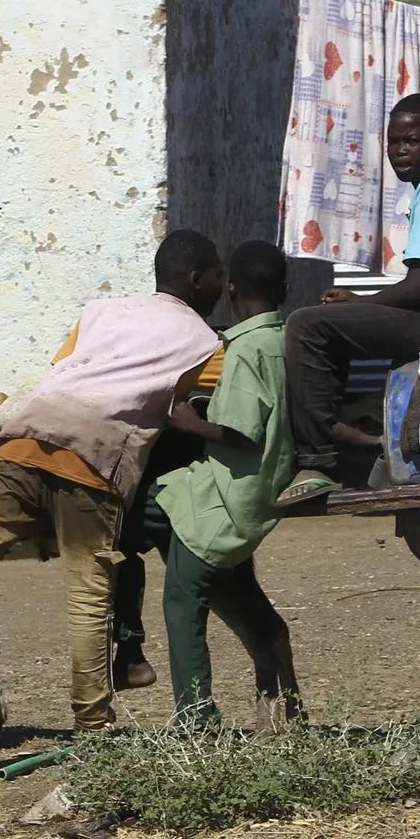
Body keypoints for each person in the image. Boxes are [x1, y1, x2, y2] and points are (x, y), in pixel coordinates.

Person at [0, 230, 228, 733]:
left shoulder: (102, 311)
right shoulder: (204, 342)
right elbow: (224, 395)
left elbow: (67, 369)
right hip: (90, 462)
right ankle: (93, 724)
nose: (224, 287)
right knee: (90, 587)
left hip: (21, 439)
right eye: (219, 277)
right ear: (198, 280)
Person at [276, 93, 420, 505]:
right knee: (334, 324)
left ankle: (316, 462)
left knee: (307, 326)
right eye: (393, 141)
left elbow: (417, 288)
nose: (399, 151)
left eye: (410, 141)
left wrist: (361, 301)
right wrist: (358, 303)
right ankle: (355, 447)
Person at [143, 240, 299, 726]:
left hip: (231, 491)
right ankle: (285, 707)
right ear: (285, 289)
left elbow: (241, 430)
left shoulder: (246, 348)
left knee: (181, 598)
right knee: (234, 589)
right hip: (262, 485)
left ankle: (197, 719)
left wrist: (189, 422)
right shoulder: (287, 340)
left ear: (231, 289)